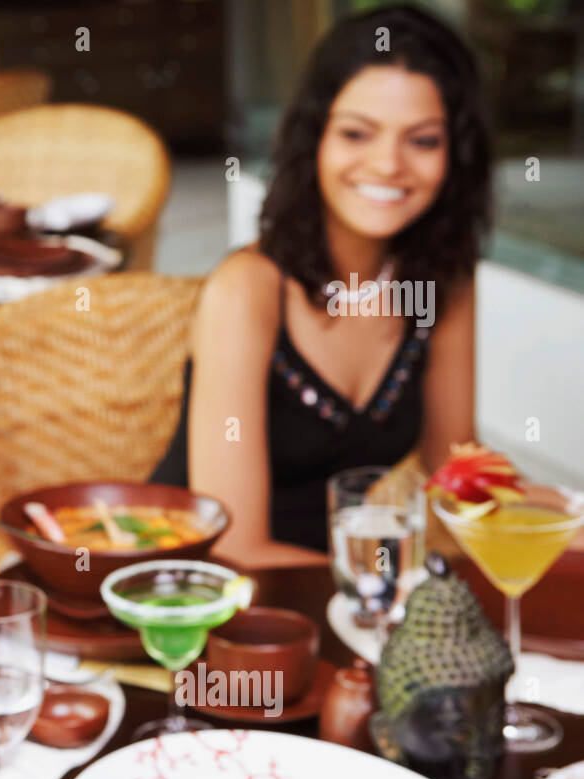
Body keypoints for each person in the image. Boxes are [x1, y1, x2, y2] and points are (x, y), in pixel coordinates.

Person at [151, 5, 488, 567]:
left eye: (423, 141)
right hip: (204, 601)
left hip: (337, 604)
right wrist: (394, 590)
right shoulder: (249, 291)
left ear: (456, 157)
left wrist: (564, 520)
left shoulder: (442, 282)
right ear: (315, 140)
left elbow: (455, 474)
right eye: (358, 133)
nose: (387, 164)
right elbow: (236, 549)